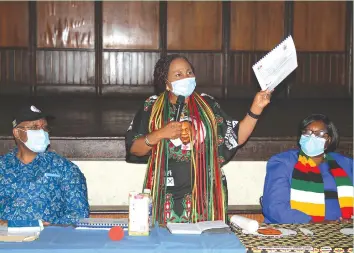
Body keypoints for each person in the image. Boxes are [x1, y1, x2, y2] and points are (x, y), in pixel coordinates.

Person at [126, 54, 271, 224]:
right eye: (178, 75)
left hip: (207, 199)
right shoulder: (151, 107)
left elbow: (235, 137)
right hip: (166, 199)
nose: (186, 78)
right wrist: (160, 134)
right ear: (166, 83)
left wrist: (256, 108)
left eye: (189, 72)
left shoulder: (208, 105)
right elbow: (134, 148)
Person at [0, 104, 89, 225]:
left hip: (49, 239)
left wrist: (50, 225)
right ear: (17, 132)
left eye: (45, 128)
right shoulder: (2, 167)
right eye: (34, 127)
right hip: (6, 240)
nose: (41, 132)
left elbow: (80, 214)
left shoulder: (64, 168)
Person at [262, 114, 353, 224]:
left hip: (343, 231)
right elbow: (275, 207)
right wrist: (314, 223)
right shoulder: (284, 162)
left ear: (329, 140)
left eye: (319, 134)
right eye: (307, 132)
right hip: (299, 231)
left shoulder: (345, 164)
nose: (312, 137)